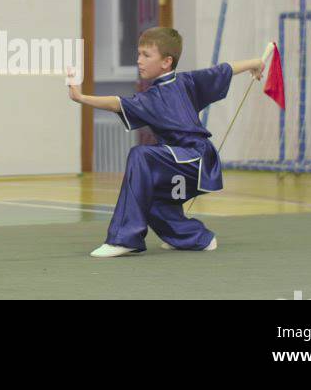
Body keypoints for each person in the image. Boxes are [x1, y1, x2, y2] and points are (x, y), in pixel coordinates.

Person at [66, 27, 265, 258]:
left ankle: (123, 239)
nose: (139, 60)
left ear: (166, 61)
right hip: (181, 160)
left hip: (196, 158)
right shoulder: (150, 97)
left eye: (146, 55)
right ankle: (197, 238)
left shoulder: (187, 81)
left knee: (141, 155)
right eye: (138, 54)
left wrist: (81, 98)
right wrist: (254, 63)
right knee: (149, 197)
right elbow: (120, 103)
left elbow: (223, 70)